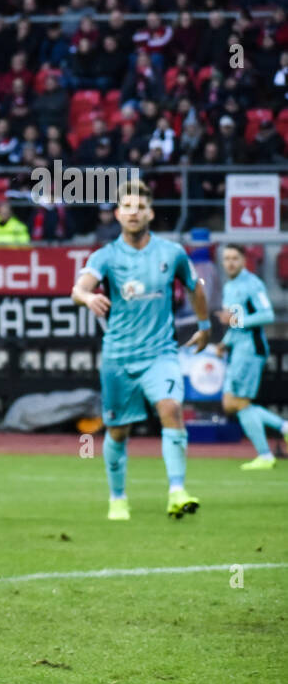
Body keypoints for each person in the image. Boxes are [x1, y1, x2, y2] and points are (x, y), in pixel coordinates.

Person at [70, 180, 210, 521]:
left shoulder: (171, 253)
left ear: (150, 212)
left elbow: (196, 287)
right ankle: (118, 498)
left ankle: (177, 490)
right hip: (119, 358)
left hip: (160, 353)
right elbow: (79, 288)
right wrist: (88, 297)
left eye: (139, 207)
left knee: (171, 409)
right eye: (127, 207)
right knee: (118, 431)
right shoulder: (105, 256)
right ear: (118, 214)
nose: (133, 213)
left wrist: (205, 327)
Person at [215, 244, 285, 469]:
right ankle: (283, 429)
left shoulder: (252, 284)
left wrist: (235, 322)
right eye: (226, 258)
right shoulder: (230, 286)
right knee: (230, 403)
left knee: (239, 402)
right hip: (239, 349)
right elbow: (234, 324)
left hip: (251, 350)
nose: (230, 263)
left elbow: (267, 314)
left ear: (244, 261)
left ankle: (265, 455)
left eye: (235, 258)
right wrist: (225, 343)